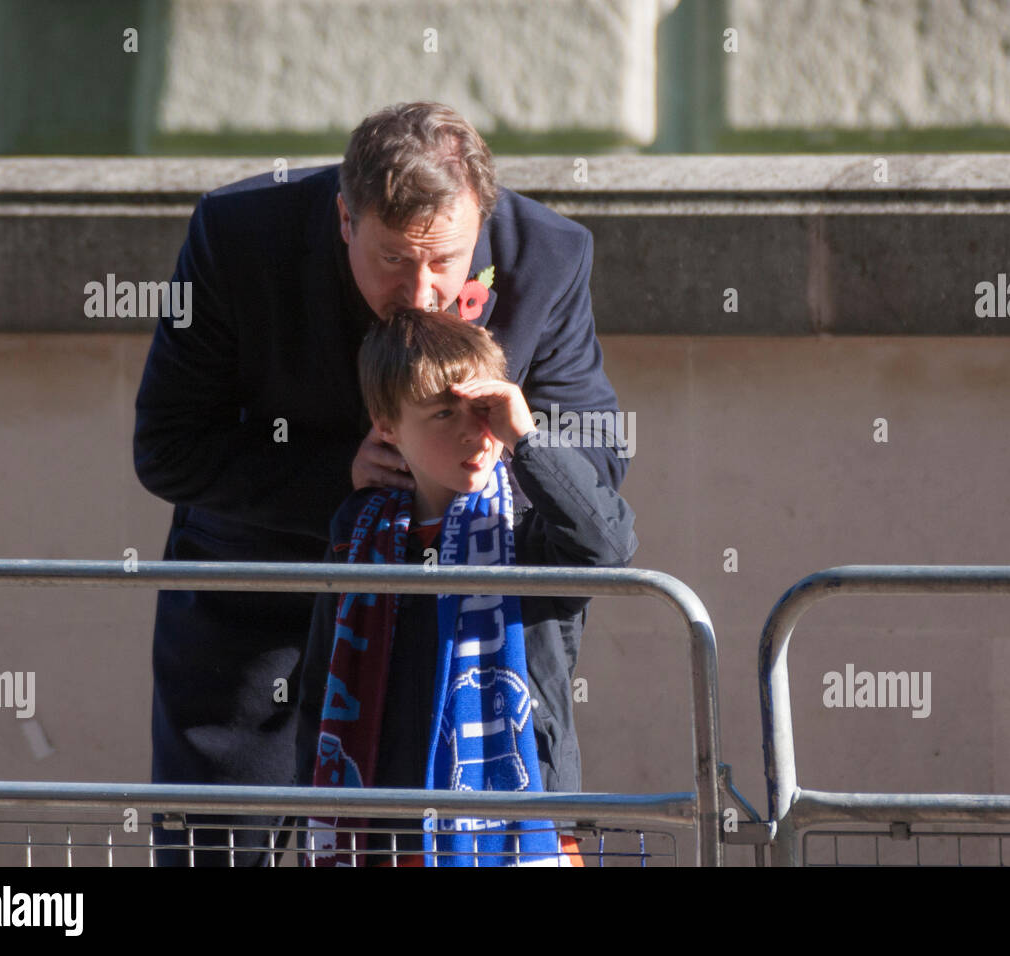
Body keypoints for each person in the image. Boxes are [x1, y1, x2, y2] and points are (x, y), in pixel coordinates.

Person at [133, 102, 630, 866]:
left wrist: (497, 451)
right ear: (344, 218)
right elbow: (167, 446)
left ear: (483, 219)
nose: (422, 292)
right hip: (252, 621)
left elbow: (598, 459)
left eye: (445, 260)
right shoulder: (237, 236)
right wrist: (340, 476)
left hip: (452, 643)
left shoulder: (549, 256)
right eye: (394, 259)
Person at [296, 308, 637, 866]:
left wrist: (526, 437)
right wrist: (314, 810)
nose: (472, 431)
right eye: (443, 413)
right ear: (386, 425)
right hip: (390, 830)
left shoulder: (529, 529)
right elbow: (322, 684)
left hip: (528, 828)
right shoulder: (359, 534)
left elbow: (610, 546)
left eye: (485, 409)